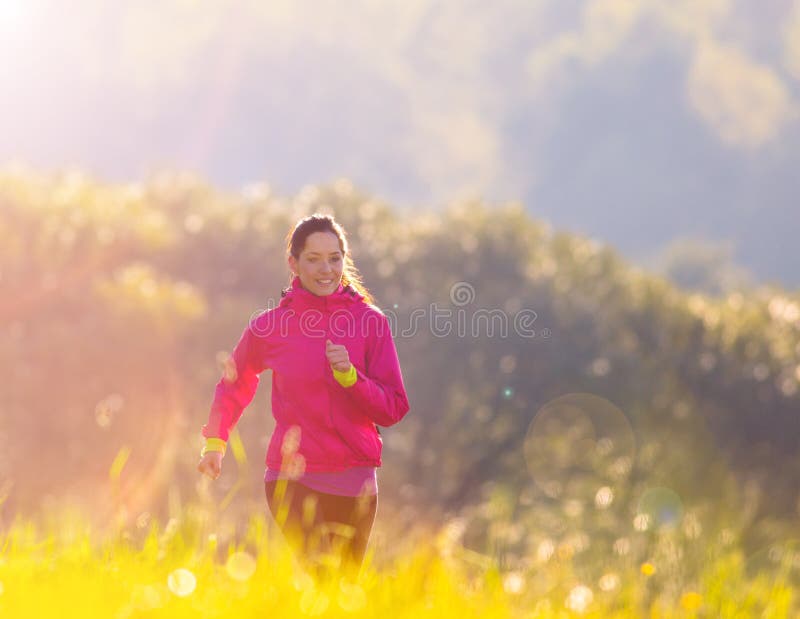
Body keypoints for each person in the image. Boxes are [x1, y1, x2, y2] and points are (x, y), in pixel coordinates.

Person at [197, 213, 410, 576]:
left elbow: (393, 408)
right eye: (313, 259)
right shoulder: (271, 326)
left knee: (343, 592)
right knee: (321, 578)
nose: (326, 269)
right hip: (292, 479)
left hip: (355, 483)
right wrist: (215, 442)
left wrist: (351, 378)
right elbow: (234, 384)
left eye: (334, 258)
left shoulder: (370, 322)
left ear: (344, 260)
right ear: (293, 263)